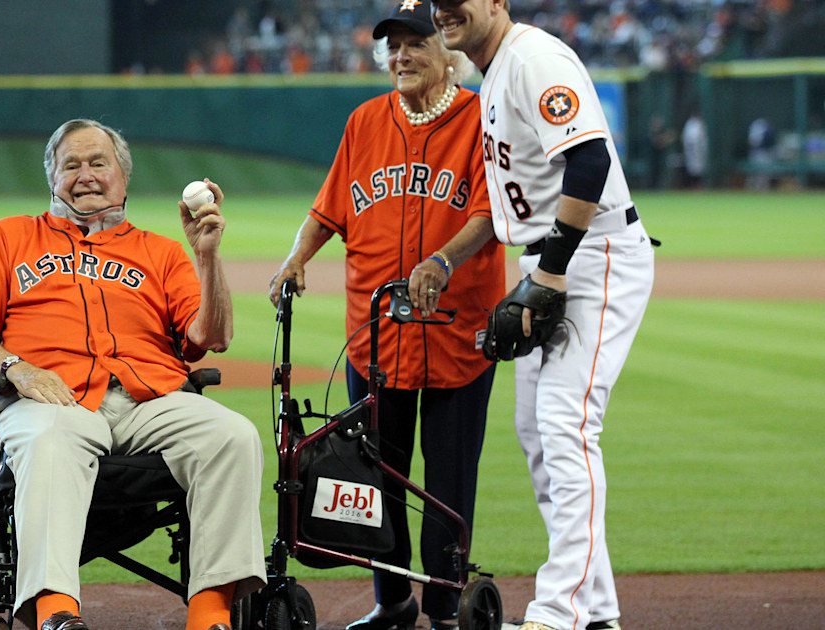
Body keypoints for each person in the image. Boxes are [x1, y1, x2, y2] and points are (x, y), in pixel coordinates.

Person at [0, 119, 265, 630]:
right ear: (52, 176)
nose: (86, 175)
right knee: (51, 439)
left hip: (150, 399)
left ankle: (210, 615)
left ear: (123, 176)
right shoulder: (10, 236)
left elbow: (212, 338)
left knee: (232, 436)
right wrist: (17, 369)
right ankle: (56, 614)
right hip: (52, 398)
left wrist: (207, 257)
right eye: (71, 164)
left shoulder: (159, 251)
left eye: (99, 163)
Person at [268, 3, 505, 629]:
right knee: (377, 481)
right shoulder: (364, 121)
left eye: (415, 44)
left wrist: (442, 262)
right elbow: (328, 208)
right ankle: (393, 603)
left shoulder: (482, 119)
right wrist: (295, 259)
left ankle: (446, 608)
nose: (401, 57)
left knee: (450, 479)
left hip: (457, 330)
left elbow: (489, 213)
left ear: (447, 53)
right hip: (375, 335)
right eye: (393, 47)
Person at [430, 1, 655, 629]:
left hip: (592, 252)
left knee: (565, 424)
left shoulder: (532, 58)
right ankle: (599, 612)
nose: (445, 10)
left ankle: (559, 611)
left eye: (459, 0)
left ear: (498, 1)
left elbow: (590, 161)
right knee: (536, 430)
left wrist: (551, 271)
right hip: (554, 256)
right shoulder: (495, 66)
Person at [680, 111, 707, 188]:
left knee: (699, 168)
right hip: (691, 151)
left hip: (699, 151)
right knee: (692, 168)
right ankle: (692, 185)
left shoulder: (700, 124)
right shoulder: (689, 124)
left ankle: (698, 185)